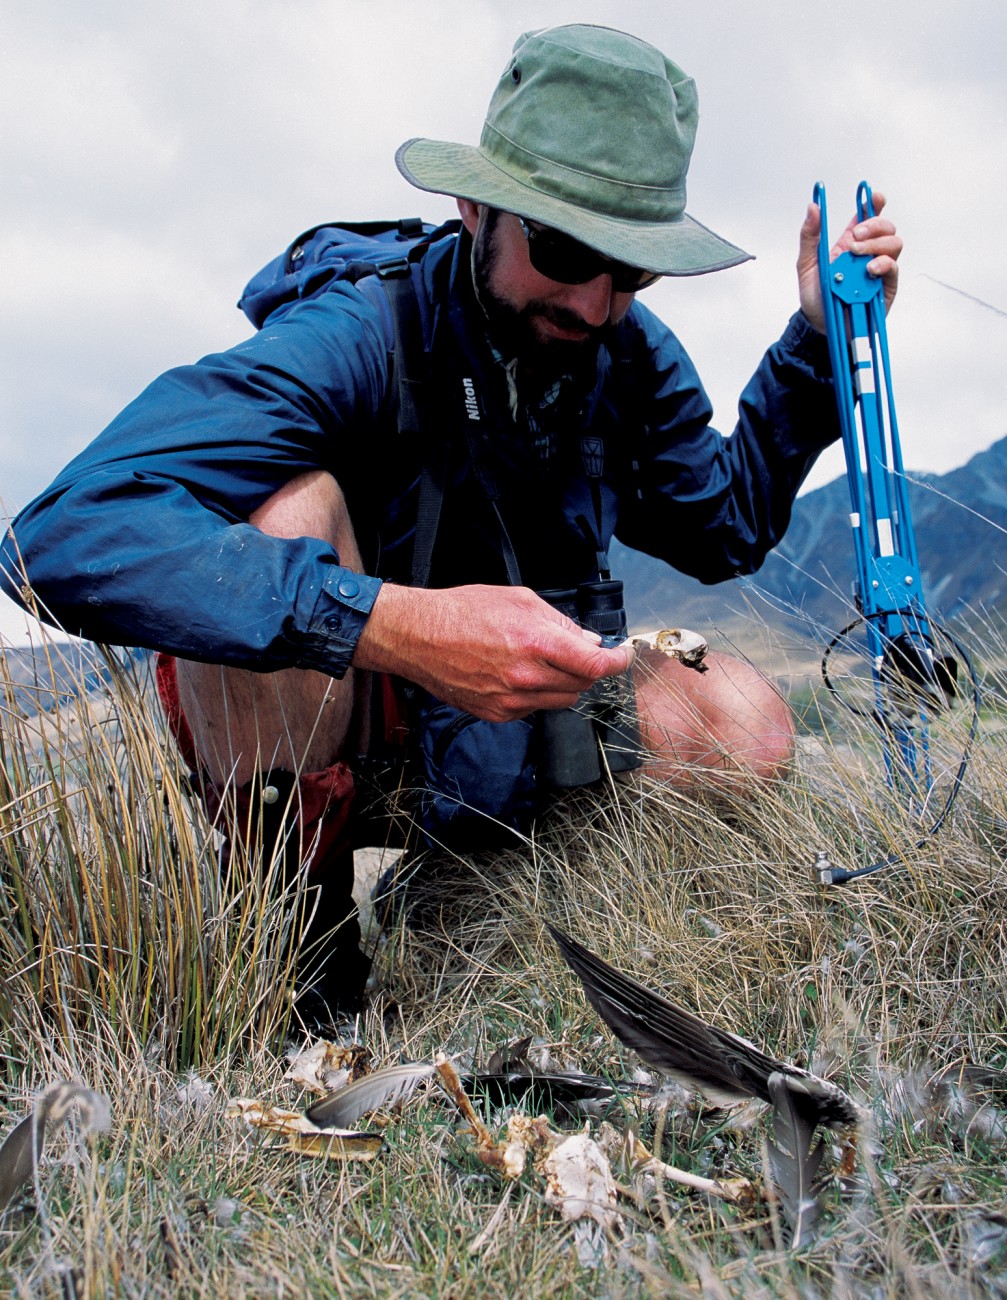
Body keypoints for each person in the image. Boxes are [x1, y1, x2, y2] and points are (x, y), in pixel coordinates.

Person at [0, 24, 902, 1018]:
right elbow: (60, 533)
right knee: (285, 513)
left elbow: (721, 528)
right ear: (474, 207)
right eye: (562, 248)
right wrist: (397, 627)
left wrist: (814, 341)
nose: (593, 302)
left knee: (741, 722)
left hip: (519, 728)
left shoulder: (628, 353)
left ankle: (471, 900)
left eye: (630, 268)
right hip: (350, 715)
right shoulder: (353, 334)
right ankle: (302, 954)